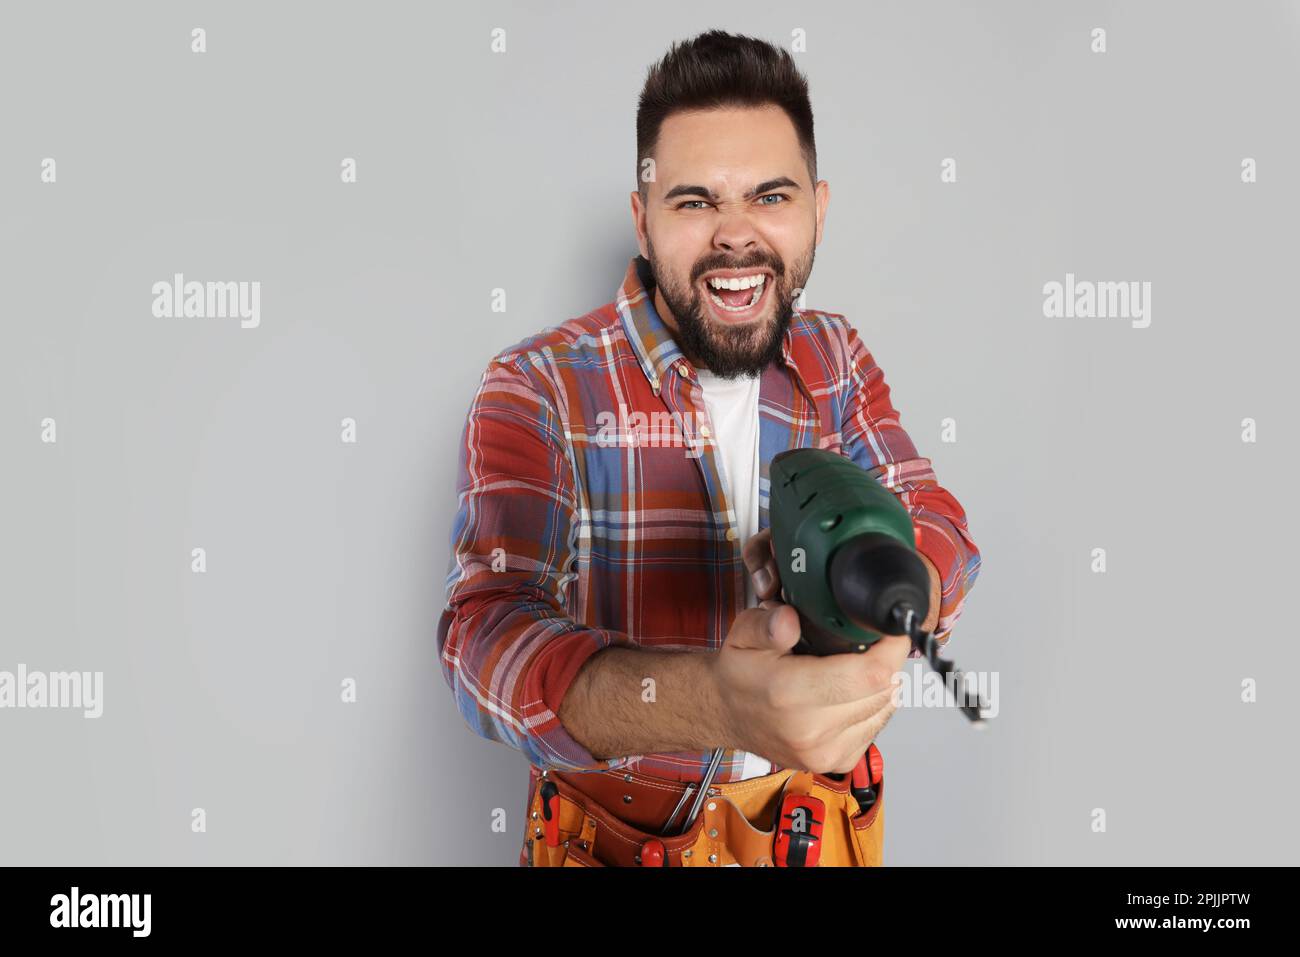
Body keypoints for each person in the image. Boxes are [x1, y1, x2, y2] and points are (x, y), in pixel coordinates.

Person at [436, 30, 981, 867]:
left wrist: (886, 590)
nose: (736, 236)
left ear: (818, 209)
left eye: (771, 196)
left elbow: (937, 519)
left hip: (816, 838)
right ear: (643, 221)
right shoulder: (539, 383)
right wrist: (718, 705)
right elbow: (484, 641)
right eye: (694, 202)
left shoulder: (834, 356)